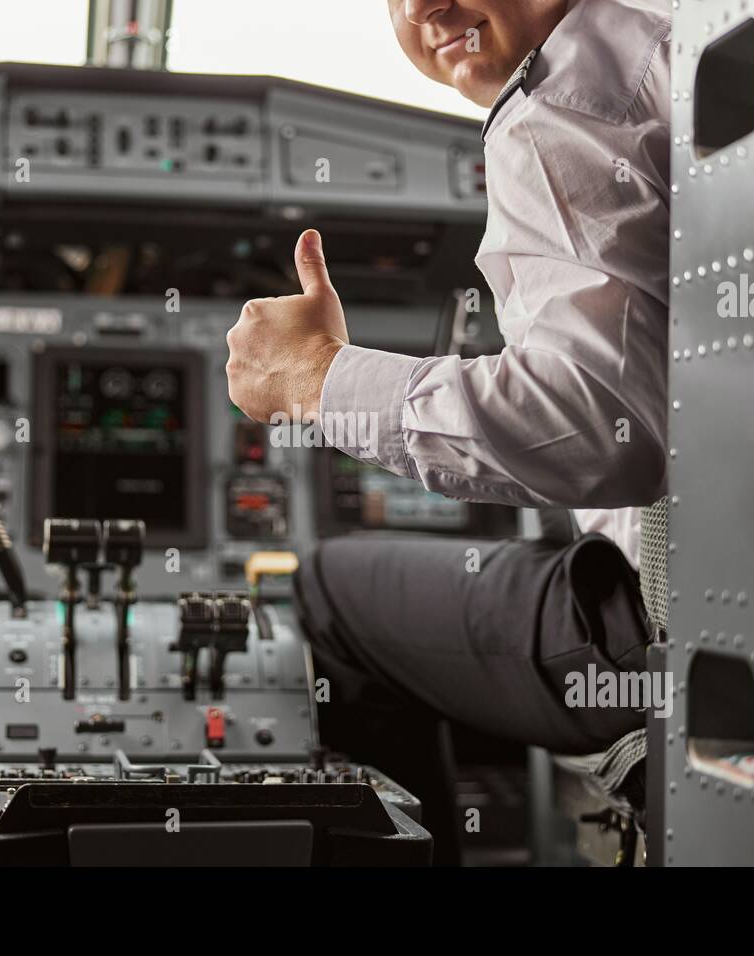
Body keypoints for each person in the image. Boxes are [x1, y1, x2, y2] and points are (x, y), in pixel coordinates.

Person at [225, 0, 671, 864]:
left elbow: (595, 425)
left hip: (662, 622)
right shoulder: (695, 43)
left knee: (330, 592)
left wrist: (321, 377)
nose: (424, 7)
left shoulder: (564, 100)